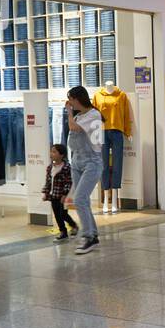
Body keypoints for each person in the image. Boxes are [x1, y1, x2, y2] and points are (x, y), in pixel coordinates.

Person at [64, 86, 104, 255]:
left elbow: (73, 128)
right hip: (77, 161)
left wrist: (68, 112)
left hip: (91, 162)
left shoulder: (93, 114)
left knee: (79, 199)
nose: (69, 102)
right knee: (83, 200)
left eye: (71, 99)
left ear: (78, 99)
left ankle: (87, 237)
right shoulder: (81, 115)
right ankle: (92, 235)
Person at [42, 144, 78, 242]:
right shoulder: (50, 168)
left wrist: (64, 194)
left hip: (62, 196)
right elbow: (48, 182)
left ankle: (73, 225)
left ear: (61, 155)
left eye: (54, 152)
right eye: (51, 151)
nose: (52, 154)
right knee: (57, 215)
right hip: (53, 195)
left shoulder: (66, 167)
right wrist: (45, 192)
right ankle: (63, 232)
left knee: (63, 214)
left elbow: (68, 182)